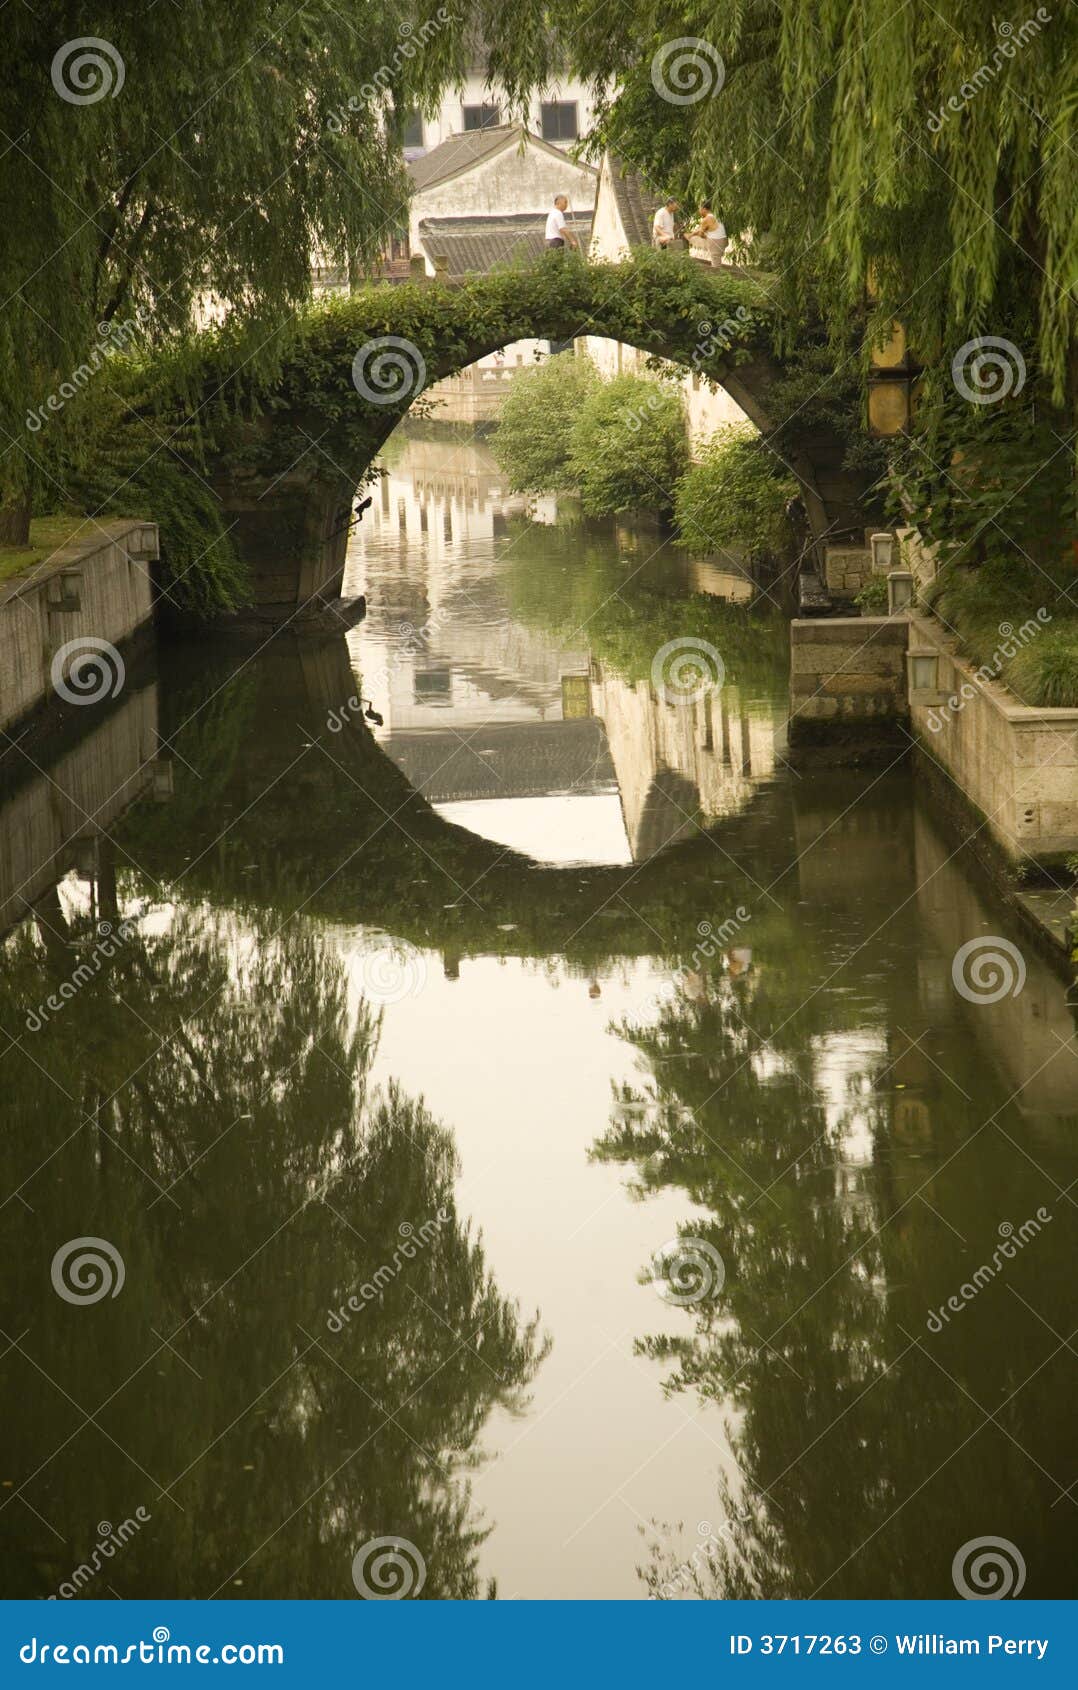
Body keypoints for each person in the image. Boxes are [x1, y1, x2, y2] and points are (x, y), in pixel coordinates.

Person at [688, 200, 728, 268]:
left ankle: (718, 277)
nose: (699, 211)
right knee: (717, 261)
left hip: (716, 242)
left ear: (704, 209)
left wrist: (693, 236)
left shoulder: (706, 219)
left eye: (699, 209)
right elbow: (700, 230)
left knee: (716, 266)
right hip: (723, 241)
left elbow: (701, 234)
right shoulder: (714, 216)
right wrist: (692, 234)